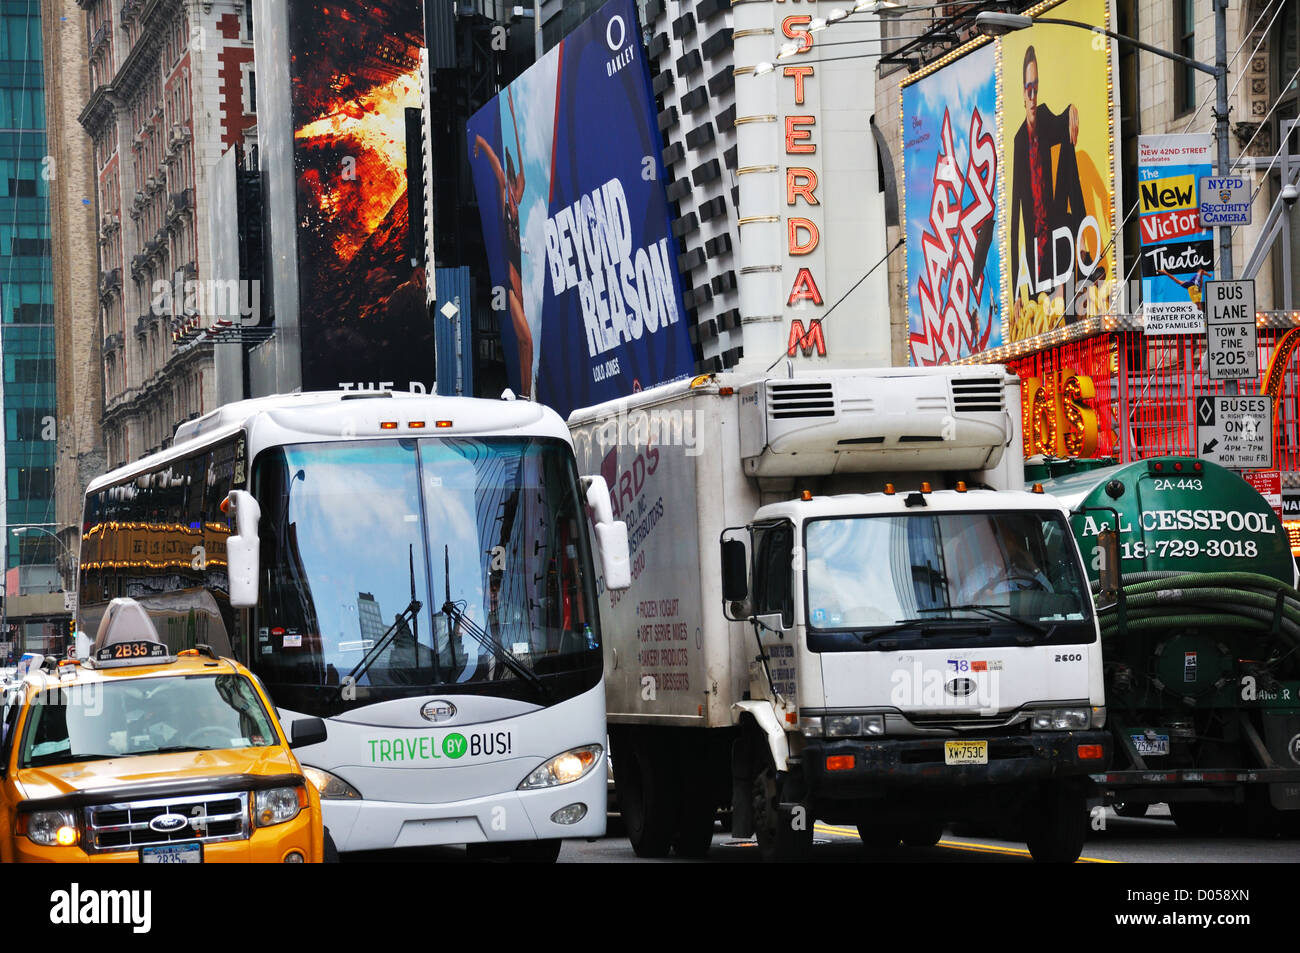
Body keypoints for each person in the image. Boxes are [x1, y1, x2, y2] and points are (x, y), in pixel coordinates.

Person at [1009, 45, 1086, 327]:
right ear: (1022, 90)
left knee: (1066, 318)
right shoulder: (1018, 140)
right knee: (1046, 324)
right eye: (1028, 88)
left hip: (1058, 236)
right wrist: (1017, 289)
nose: (1032, 95)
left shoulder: (1044, 118)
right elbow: (1016, 216)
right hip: (1035, 251)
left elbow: (1062, 117)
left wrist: (1073, 110)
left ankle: (1084, 266)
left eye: (1036, 87)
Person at [473, 87, 533, 399]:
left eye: (512, 180)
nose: (512, 185)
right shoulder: (504, 194)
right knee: (527, 341)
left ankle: (526, 395)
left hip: (519, 284)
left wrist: (511, 112)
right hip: (509, 285)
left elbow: (520, 164)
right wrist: (480, 143)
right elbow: (497, 164)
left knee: (526, 344)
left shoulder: (517, 197)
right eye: (509, 181)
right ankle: (526, 394)